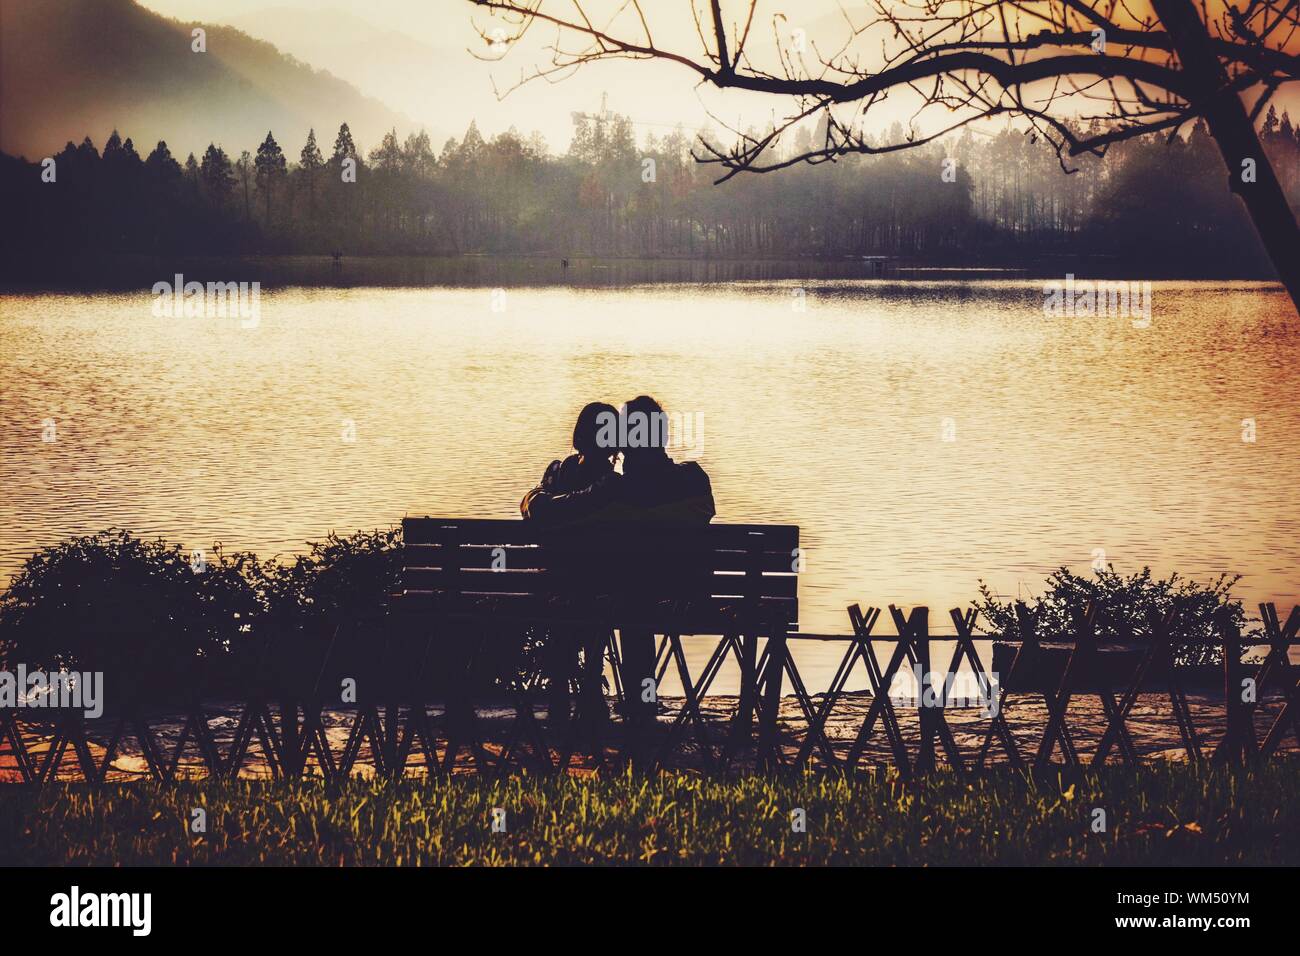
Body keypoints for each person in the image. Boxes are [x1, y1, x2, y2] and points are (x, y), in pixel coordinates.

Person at [614, 396, 715, 745]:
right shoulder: (693, 479)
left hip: (631, 601)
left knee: (631, 600)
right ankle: (644, 700)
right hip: (691, 600)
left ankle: (639, 702)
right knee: (636, 597)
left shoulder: (617, 490)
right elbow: (704, 512)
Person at [520, 401, 621, 728]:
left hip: (553, 587)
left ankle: (560, 693)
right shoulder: (612, 484)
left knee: (565, 595)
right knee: (596, 594)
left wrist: (546, 504)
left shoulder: (557, 474)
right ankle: (590, 688)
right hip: (597, 591)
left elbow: (533, 507)